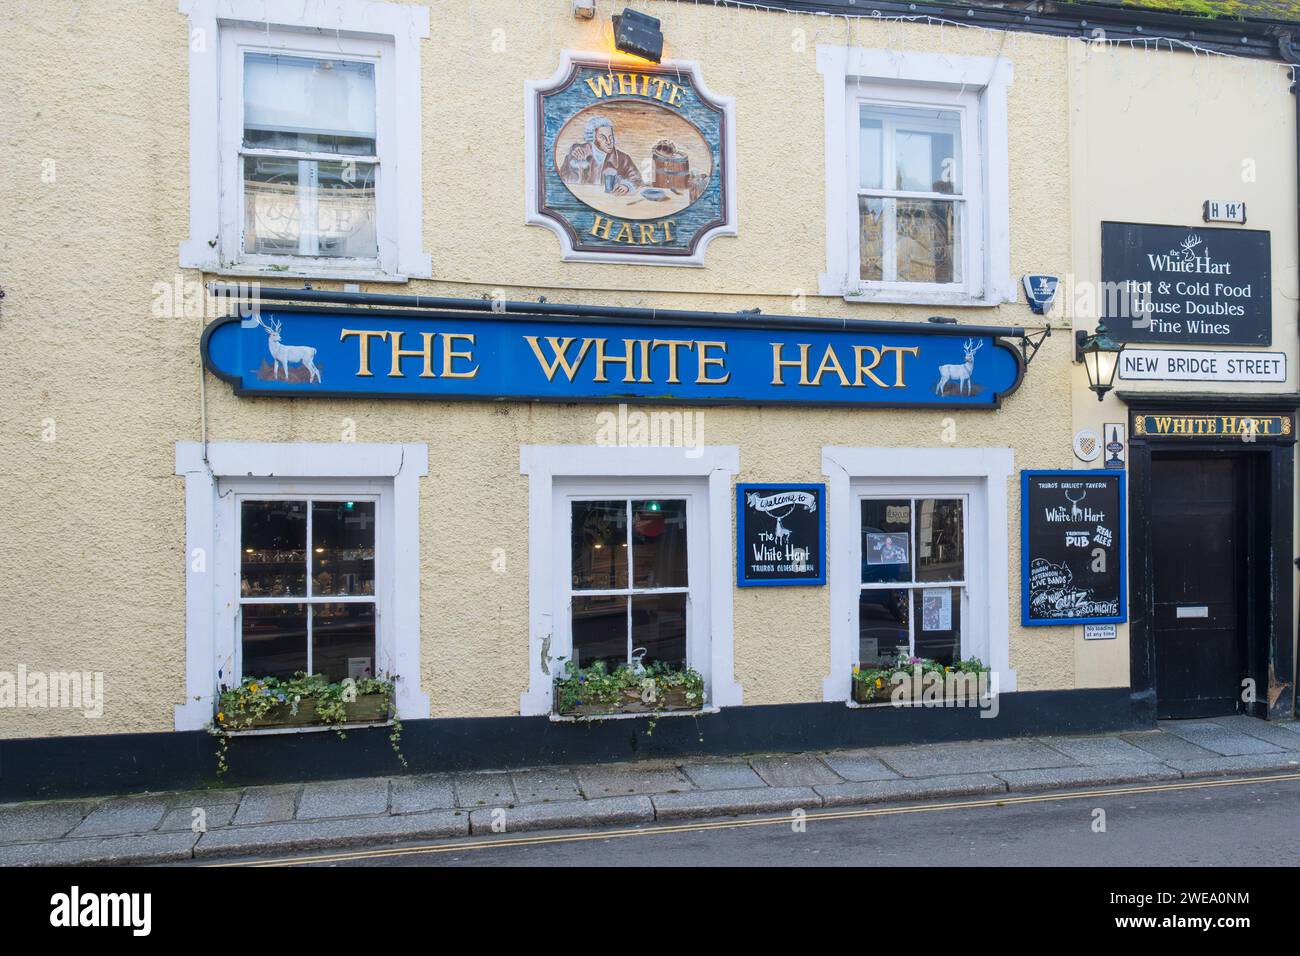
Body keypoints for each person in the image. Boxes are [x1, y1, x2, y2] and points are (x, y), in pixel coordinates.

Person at [559, 115, 643, 196]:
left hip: (611, 200)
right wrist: (573, 160)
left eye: (611, 137)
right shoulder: (578, 151)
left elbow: (637, 179)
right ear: (592, 138)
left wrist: (627, 186)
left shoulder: (623, 158)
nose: (609, 142)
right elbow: (564, 179)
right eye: (603, 137)